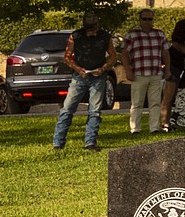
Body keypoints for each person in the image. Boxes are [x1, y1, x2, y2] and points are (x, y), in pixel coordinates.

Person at [54, 11, 116, 152]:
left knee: (94, 111)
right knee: (67, 109)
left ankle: (90, 143)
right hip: (79, 76)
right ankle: (58, 143)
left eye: (93, 29)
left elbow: (113, 57)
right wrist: (78, 69)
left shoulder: (105, 37)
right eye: (89, 30)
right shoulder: (75, 36)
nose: (92, 33)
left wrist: (103, 68)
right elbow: (67, 57)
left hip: (98, 76)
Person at [120, 8, 168, 135]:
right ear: (140, 20)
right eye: (144, 19)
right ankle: (135, 129)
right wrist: (128, 70)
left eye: (150, 19)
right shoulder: (132, 35)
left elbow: (165, 52)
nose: (147, 21)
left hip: (155, 73)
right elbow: (124, 53)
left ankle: (154, 128)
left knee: (155, 103)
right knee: (137, 103)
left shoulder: (160, 34)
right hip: (138, 74)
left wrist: (167, 70)